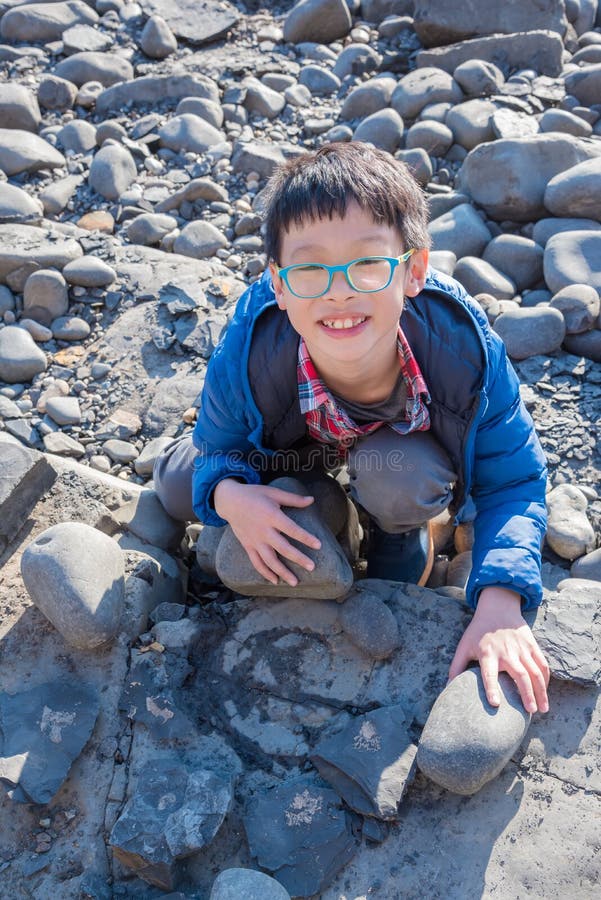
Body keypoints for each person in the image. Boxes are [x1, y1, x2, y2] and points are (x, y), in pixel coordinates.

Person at [154, 142, 550, 716]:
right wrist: (228, 493)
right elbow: (222, 448)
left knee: (401, 478)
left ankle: (399, 536)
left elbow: (512, 482)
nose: (339, 290)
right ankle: (185, 466)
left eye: (367, 264)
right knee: (175, 490)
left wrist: (500, 601)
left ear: (412, 271)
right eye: (310, 269)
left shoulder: (463, 350)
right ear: (280, 286)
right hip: (288, 452)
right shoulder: (250, 348)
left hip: (396, 453)